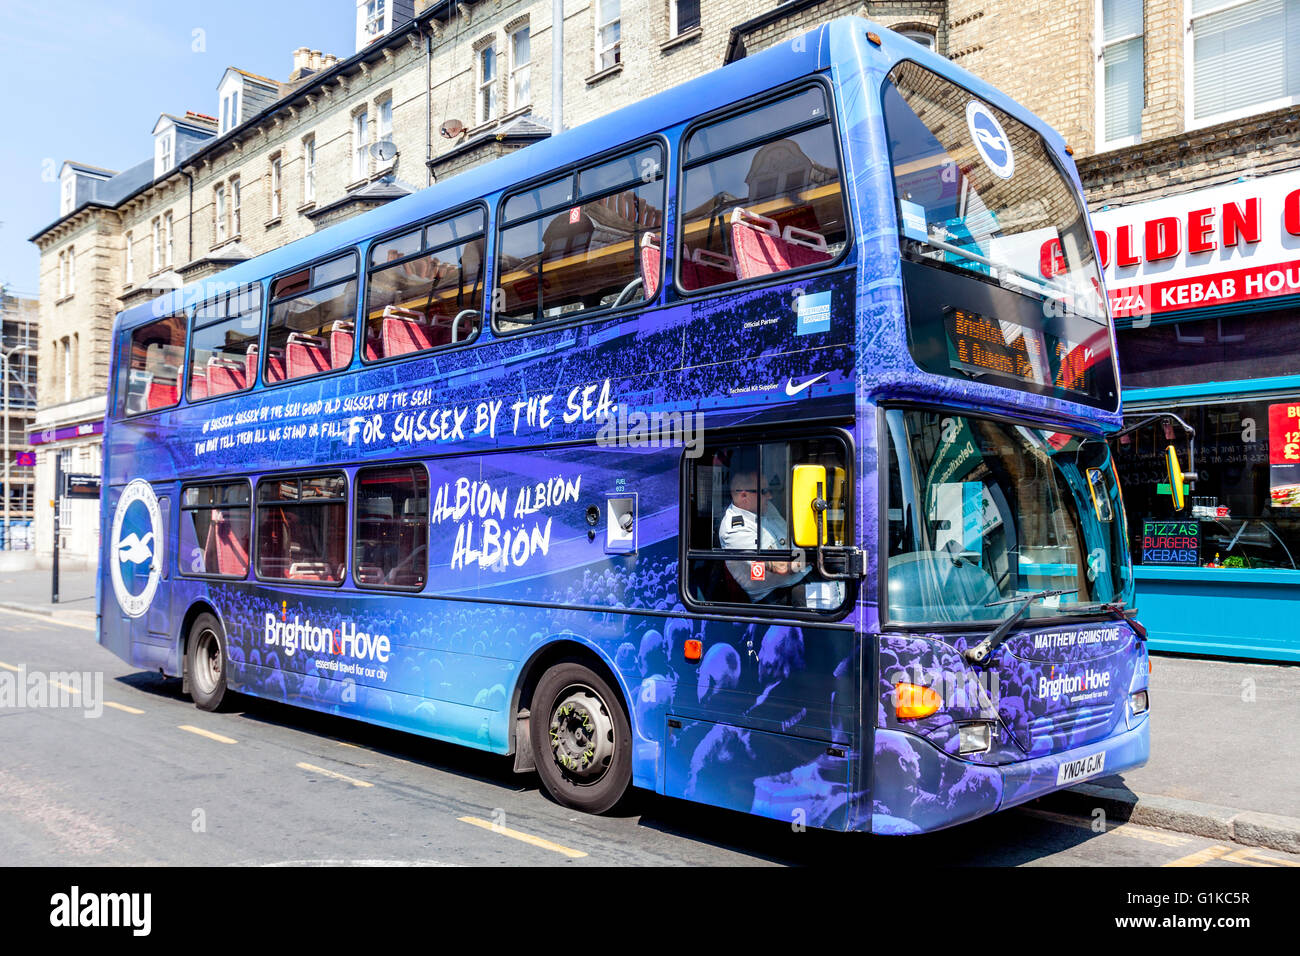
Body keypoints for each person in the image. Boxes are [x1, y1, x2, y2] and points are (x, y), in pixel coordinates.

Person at [718, 469, 810, 603]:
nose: (770, 496)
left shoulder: (765, 507)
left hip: (802, 576)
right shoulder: (735, 530)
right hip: (776, 594)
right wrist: (811, 556)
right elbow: (781, 567)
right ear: (744, 495)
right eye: (764, 491)